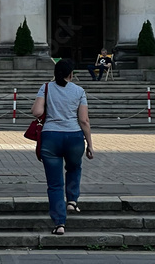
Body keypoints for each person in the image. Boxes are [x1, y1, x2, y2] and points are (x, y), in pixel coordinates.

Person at [31, 58, 94, 235]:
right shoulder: (79, 91)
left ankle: (59, 223)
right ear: (71, 74)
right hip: (74, 137)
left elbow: (37, 112)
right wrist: (89, 144)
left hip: (50, 137)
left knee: (54, 184)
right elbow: (84, 120)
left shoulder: (46, 87)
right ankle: (72, 201)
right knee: (74, 168)